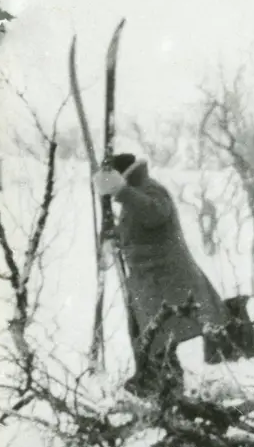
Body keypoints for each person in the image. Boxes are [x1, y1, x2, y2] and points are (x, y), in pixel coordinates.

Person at [91, 153, 229, 399]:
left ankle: (166, 389)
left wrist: (123, 192)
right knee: (148, 334)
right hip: (150, 280)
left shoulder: (150, 189)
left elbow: (155, 213)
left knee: (158, 336)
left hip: (166, 279)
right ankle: (154, 382)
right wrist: (115, 236)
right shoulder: (136, 194)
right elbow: (138, 231)